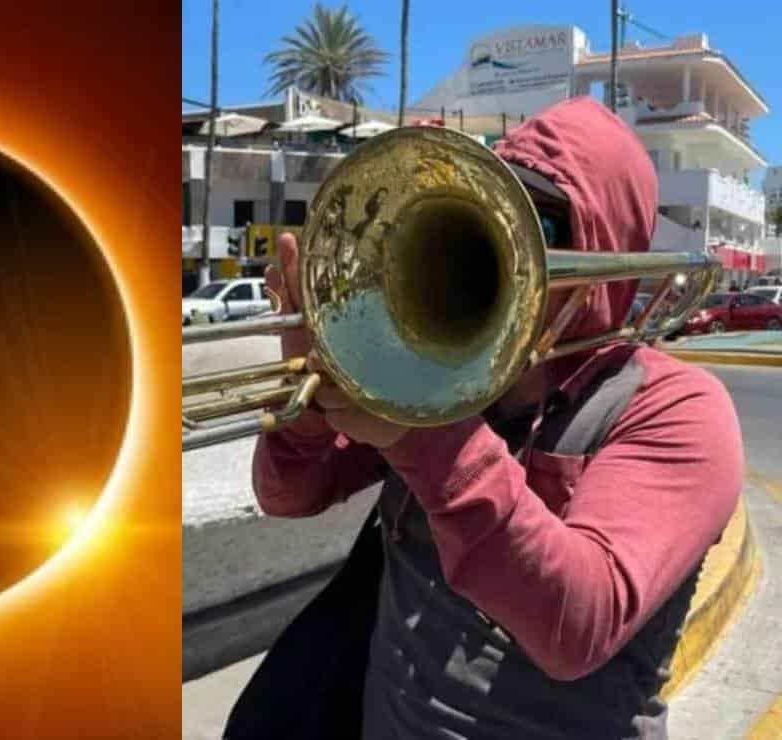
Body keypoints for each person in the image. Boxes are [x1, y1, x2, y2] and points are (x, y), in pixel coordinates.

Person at [224, 97, 743, 739]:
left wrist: (426, 437)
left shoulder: (676, 409)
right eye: (496, 205)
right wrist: (304, 407)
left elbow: (577, 625)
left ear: (603, 248)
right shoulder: (453, 372)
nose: (517, 241)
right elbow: (288, 496)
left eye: (543, 225)